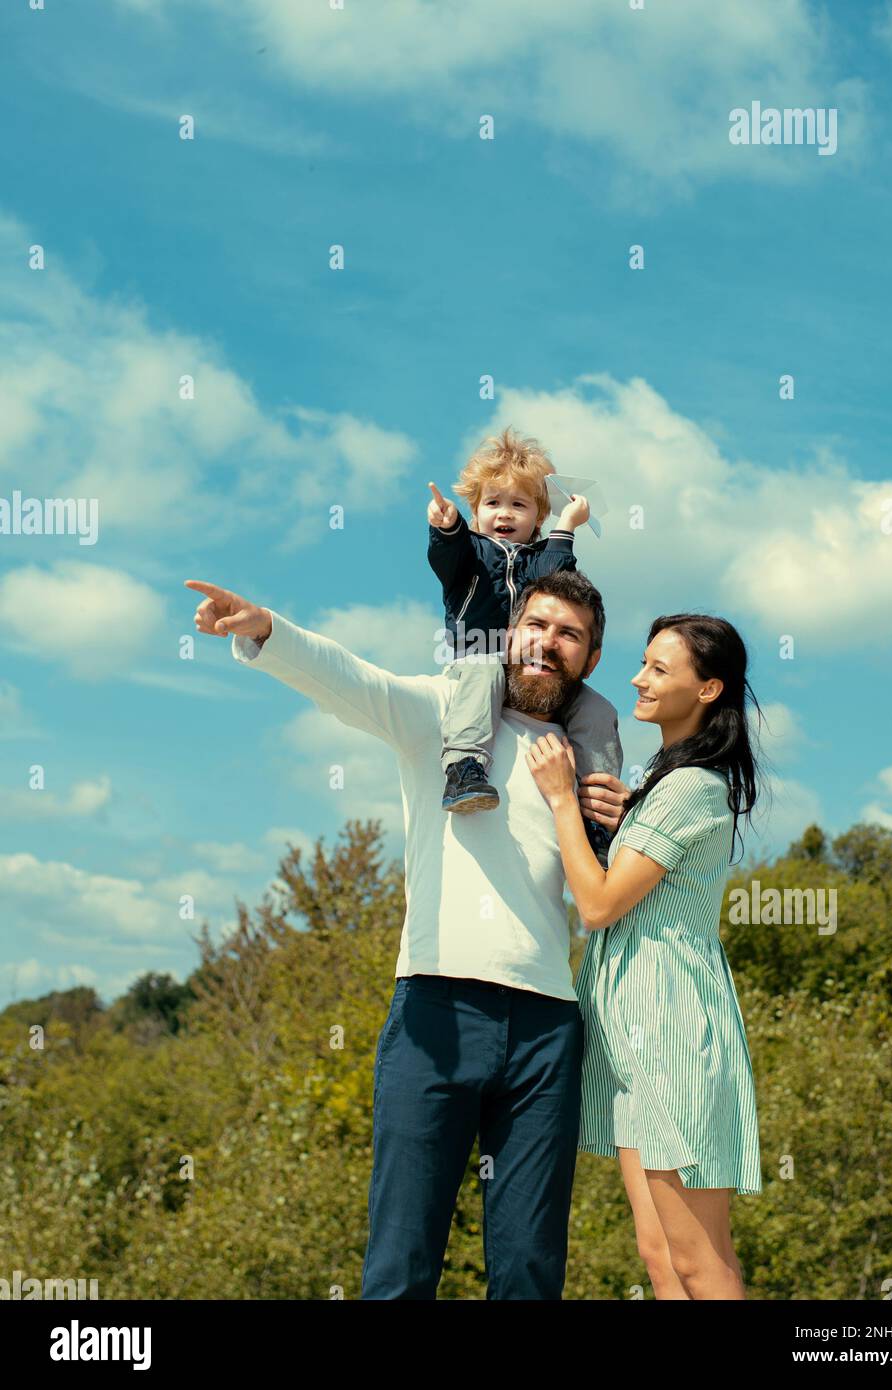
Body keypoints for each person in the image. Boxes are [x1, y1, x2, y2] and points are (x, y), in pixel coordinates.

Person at [184, 569, 628, 1300]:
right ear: (510, 633)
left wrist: (617, 814)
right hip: (436, 1008)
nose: (548, 644)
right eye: (537, 626)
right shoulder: (444, 715)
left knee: (529, 1267)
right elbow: (352, 681)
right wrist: (266, 628)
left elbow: (611, 892)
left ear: (590, 658)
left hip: (549, 1022)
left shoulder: (592, 764)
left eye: (569, 635)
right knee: (402, 1256)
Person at [526, 613, 763, 1300]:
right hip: (631, 1037)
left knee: (699, 1262)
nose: (637, 677)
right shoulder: (664, 786)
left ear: (709, 688)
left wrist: (560, 803)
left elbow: (597, 905)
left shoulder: (690, 787)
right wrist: (626, 817)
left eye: (660, 669)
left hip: (671, 1034)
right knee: (659, 1256)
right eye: (643, 663)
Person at [428, 426, 622, 865]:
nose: (504, 514)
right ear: (475, 512)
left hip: (534, 671)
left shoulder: (540, 559)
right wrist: (446, 527)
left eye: (519, 504)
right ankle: (464, 769)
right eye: (492, 503)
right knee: (484, 670)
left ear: (537, 517)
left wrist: (566, 525)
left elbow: (558, 577)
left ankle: (596, 817)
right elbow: (447, 556)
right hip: (479, 656)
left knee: (598, 709)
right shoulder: (471, 553)